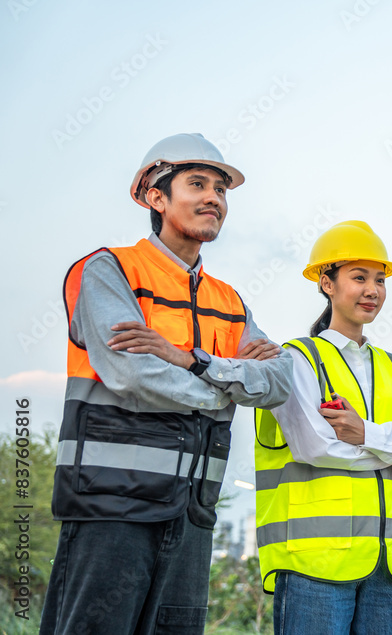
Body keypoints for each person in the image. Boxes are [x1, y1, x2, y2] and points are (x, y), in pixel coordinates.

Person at [41, 133, 293, 634]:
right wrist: (227, 385)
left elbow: (278, 383)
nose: (213, 199)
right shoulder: (108, 270)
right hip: (110, 508)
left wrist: (188, 360)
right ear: (156, 197)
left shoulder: (230, 300)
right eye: (197, 184)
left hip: (193, 515)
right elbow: (131, 375)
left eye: (220, 190)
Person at [255, 219, 392, 635]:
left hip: (385, 564)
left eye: (380, 280)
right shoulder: (296, 359)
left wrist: (368, 433)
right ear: (327, 283)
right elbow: (315, 448)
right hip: (313, 563)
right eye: (359, 277)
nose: (373, 290)